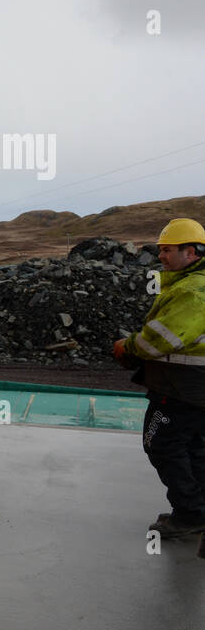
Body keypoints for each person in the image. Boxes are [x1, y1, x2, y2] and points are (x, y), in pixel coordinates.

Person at [112, 218, 205, 539]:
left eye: (167, 250)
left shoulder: (194, 292)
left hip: (182, 388)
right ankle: (195, 510)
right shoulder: (190, 284)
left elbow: (163, 338)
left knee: (161, 444)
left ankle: (191, 514)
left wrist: (128, 347)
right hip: (191, 389)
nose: (161, 257)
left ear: (190, 252)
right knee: (192, 446)